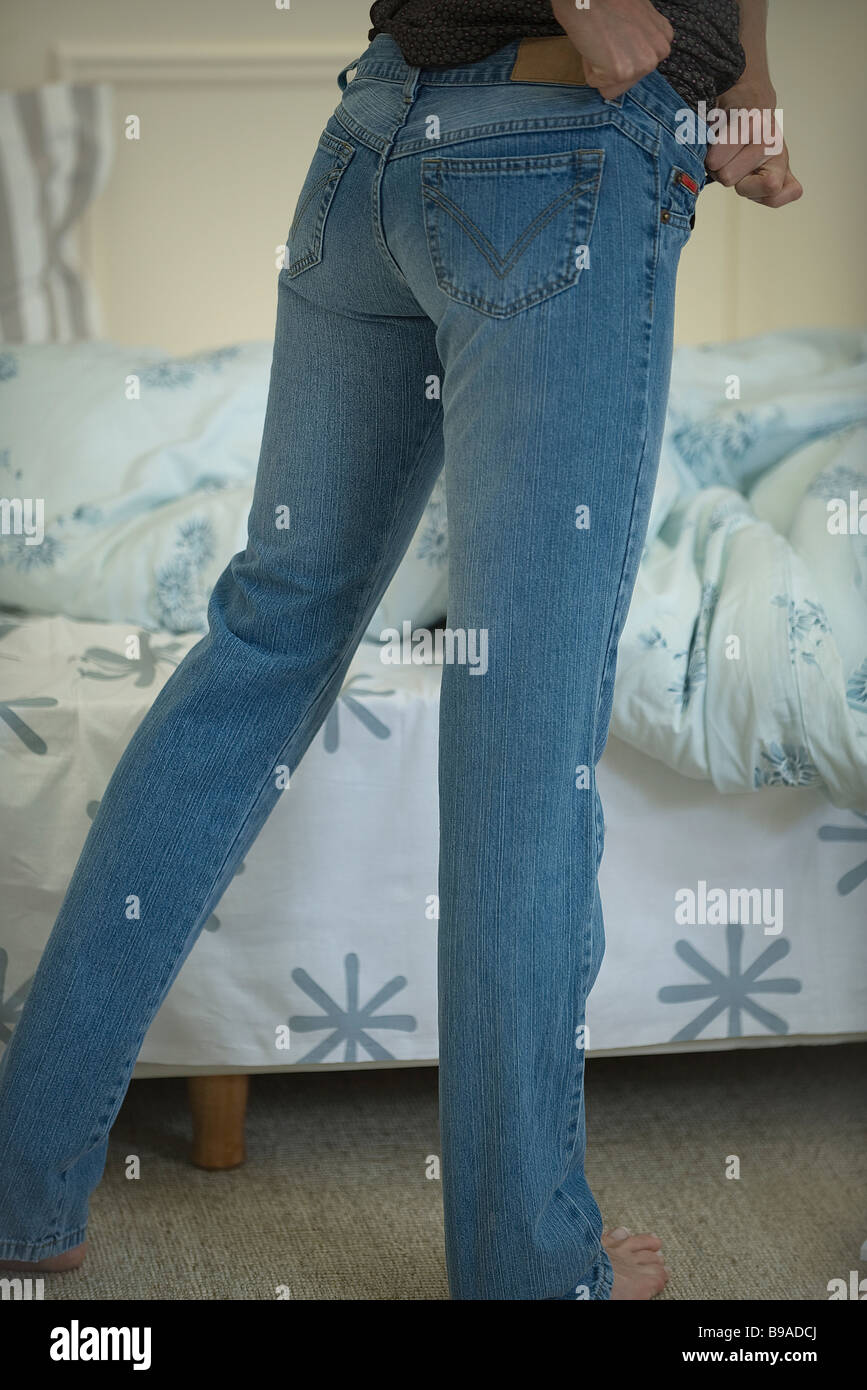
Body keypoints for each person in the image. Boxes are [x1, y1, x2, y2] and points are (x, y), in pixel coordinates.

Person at [0, 0, 800, 1300]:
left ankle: (17, 1184)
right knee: (524, 728)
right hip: (555, 151)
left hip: (377, 140)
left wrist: (747, 73)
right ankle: (533, 1271)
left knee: (261, 646)